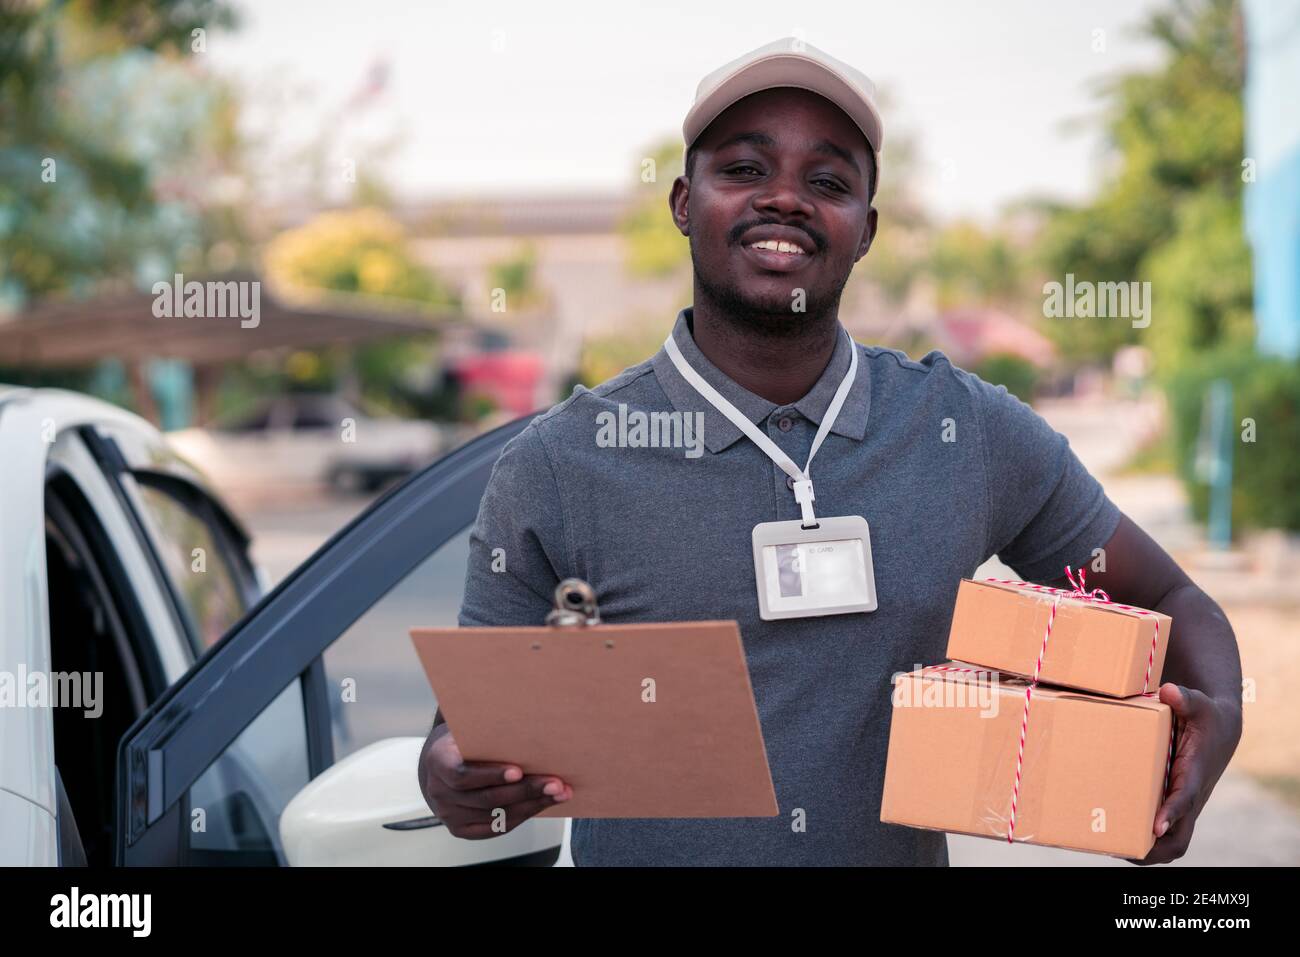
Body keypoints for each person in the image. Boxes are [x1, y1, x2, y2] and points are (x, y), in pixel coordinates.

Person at [417, 37, 1242, 866]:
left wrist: (1220, 718)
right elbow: (463, 736)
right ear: (681, 200)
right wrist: (453, 779)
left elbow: (1167, 593)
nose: (784, 199)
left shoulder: (966, 431)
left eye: (828, 181)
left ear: (868, 228)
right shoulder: (561, 464)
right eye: (743, 169)